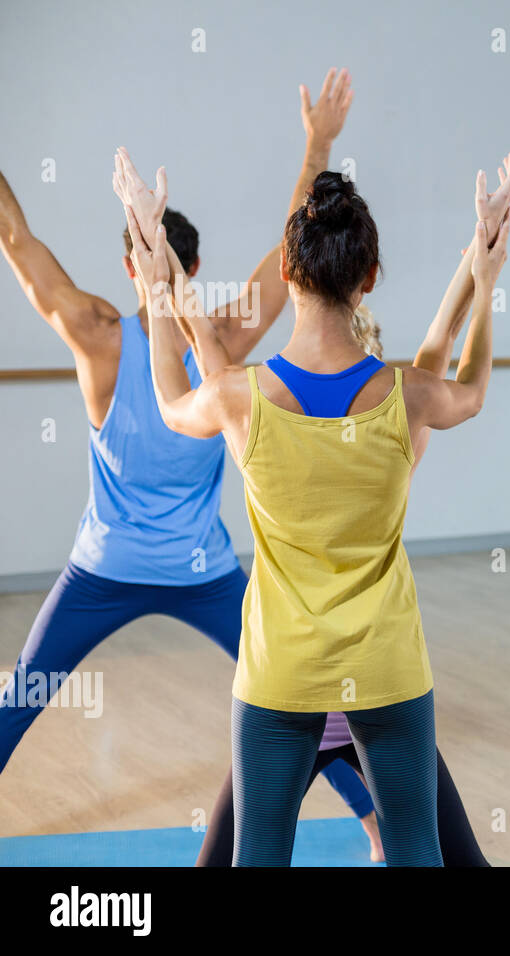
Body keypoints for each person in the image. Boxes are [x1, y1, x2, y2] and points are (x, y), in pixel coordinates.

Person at [0, 68, 391, 853]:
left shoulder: (97, 332)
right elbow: (291, 268)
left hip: (116, 568)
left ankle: (378, 822)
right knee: (305, 693)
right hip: (193, 569)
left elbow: (16, 239)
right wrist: (315, 144)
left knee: (22, 696)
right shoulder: (224, 341)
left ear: (131, 264)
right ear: (195, 267)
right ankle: (381, 829)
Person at [116, 144, 510, 864]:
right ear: (367, 282)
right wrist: (481, 278)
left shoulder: (239, 399)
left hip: (280, 672)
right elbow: (461, 374)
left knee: (257, 856)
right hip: (388, 666)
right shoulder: (407, 398)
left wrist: (158, 275)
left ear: (289, 273)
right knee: (417, 849)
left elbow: (179, 390)